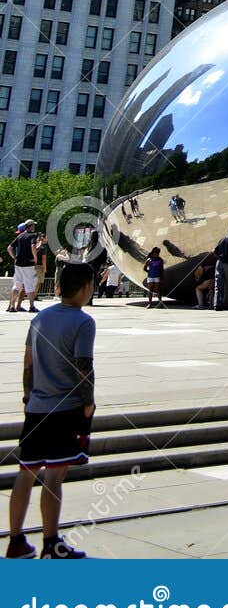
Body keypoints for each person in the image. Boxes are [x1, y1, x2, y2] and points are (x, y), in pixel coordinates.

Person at [6, 262, 96, 559]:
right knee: (54, 476)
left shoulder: (39, 319)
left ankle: (16, 540)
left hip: (36, 407)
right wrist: (88, 401)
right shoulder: (83, 322)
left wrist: (27, 394)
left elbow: (28, 361)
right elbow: (83, 366)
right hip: (65, 408)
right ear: (85, 287)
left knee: (26, 472)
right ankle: (50, 543)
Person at [6, 221, 40, 314]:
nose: (35, 226)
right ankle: (32, 306)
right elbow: (33, 246)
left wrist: (14, 257)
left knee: (16, 285)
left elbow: (9, 248)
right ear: (31, 226)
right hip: (28, 264)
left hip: (18, 264)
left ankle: (12, 306)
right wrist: (35, 258)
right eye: (34, 225)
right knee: (30, 286)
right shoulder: (33, 235)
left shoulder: (20, 236)